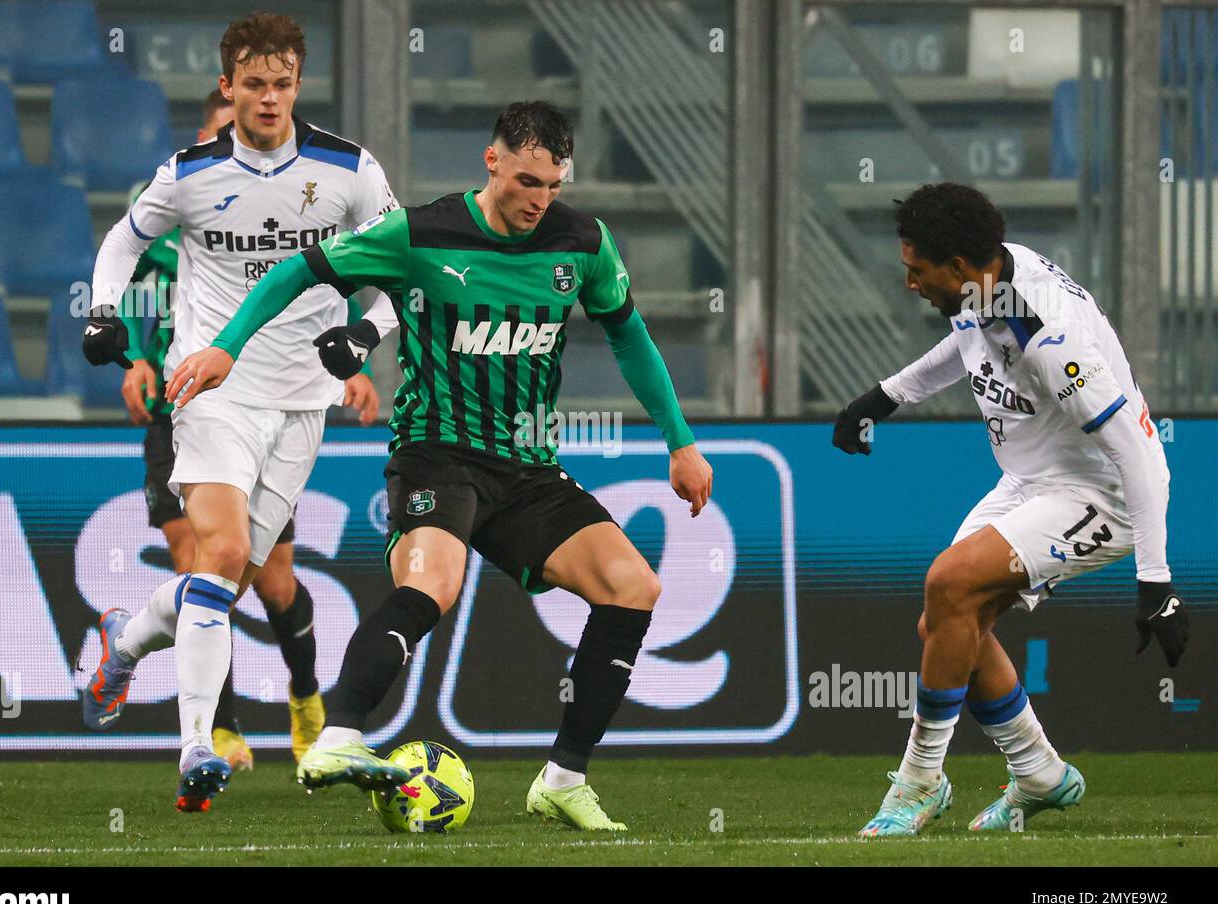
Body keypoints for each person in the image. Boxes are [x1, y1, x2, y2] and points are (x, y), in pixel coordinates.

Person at [164, 100, 714, 831]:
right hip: (437, 455)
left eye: (552, 184)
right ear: (493, 162)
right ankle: (338, 735)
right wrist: (228, 345)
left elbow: (630, 337)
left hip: (527, 468)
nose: (538, 201)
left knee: (633, 587)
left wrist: (679, 440)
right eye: (526, 182)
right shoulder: (420, 233)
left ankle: (562, 778)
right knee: (433, 583)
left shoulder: (583, 242)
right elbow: (297, 271)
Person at [81, 11, 399, 812]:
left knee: (222, 579)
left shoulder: (350, 171)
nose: (267, 97)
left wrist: (362, 336)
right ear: (228, 85)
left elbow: (408, 271)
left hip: (303, 408)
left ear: (298, 84)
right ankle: (197, 747)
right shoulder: (188, 173)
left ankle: (122, 641)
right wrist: (106, 311)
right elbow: (124, 240)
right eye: (253, 84)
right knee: (217, 553)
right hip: (213, 392)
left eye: (281, 83)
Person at [831, 183, 1188, 836]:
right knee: (948, 621)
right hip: (1031, 478)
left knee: (949, 583)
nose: (908, 282)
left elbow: (1137, 453)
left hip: (1099, 495)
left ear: (960, 269)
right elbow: (969, 344)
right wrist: (884, 396)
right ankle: (1041, 774)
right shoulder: (989, 275)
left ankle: (920, 781)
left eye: (917, 270)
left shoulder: (1052, 337)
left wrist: (1156, 579)